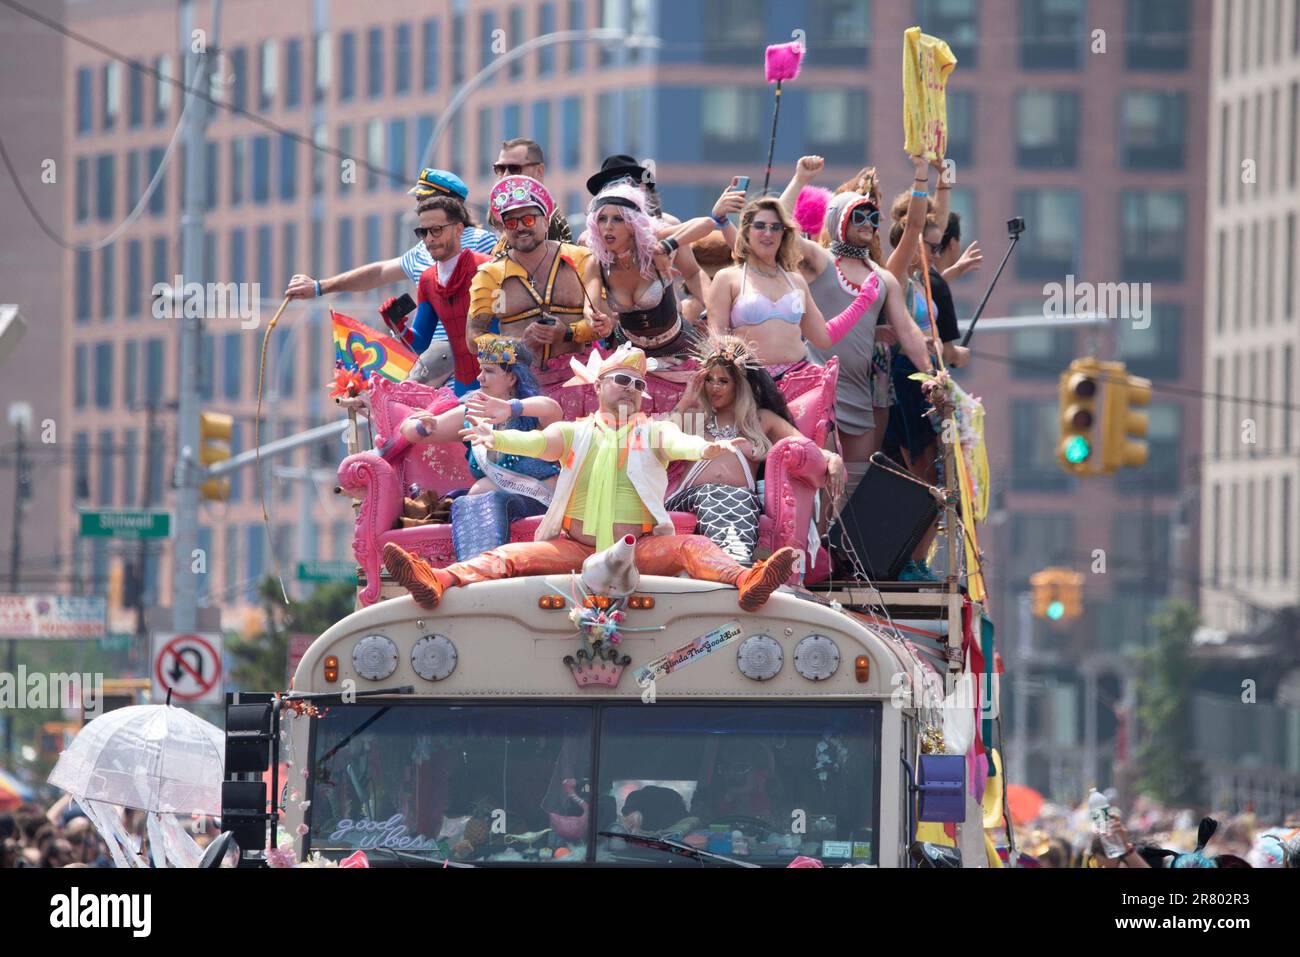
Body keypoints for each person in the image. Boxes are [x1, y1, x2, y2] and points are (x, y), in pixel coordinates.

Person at [381, 344, 802, 612]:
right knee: (507, 557)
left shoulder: (651, 429)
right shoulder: (575, 431)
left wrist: (706, 449)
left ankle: (748, 580)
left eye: (637, 384)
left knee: (695, 546)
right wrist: (496, 436)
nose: (631, 389)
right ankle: (434, 580)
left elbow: (677, 442)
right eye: (621, 380)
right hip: (572, 548)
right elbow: (537, 444)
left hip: (639, 551)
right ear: (599, 387)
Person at [778, 156, 936, 497]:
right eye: (858, 216)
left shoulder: (883, 279)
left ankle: (842, 552)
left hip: (859, 394)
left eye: (872, 217)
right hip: (815, 389)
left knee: (854, 486)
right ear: (838, 220)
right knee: (815, 478)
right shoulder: (820, 261)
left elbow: (908, 331)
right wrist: (800, 179)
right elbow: (782, 226)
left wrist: (934, 375)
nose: (868, 223)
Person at [667, 334, 845, 564]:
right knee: (720, 495)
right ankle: (738, 565)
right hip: (689, 497)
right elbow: (662, 439)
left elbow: (805, 445)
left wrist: (832, 458)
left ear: (739, 384)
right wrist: (685, 401)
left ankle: (742, 566)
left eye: (723, 381)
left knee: (738, 500)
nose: (714, 388)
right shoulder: (695, 417)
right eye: (709, 380)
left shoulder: (762, 419)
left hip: (741, 501)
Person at [397, 336, 561, 560]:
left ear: (512, 377)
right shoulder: (472, 412)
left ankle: (480, 572)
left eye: (489, 371)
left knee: (488, 498)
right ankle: (474, 575)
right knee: (466, 501)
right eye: (480, 370)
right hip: (490, 505)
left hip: (538, 501)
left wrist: (510, 408)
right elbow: (413, 432)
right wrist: (420, 425)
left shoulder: (533, 413)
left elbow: (552, 408)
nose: (479, 377)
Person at [705, 198, 883, 386]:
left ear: (784, 233)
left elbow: (823, 337)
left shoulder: (796, 281)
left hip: (798, 382)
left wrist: (863, 301)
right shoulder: (727, 279)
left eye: (775, 227)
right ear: (747, 232)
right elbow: (717, 342)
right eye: (760, 226)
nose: (768, 233)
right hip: (749, 385)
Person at [285, 167, 497, 303]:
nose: (421, 208)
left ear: (451, 206)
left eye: (426, 201)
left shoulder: (483, 241)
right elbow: (378, 273)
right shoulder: (421, 252)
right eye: (420, 202)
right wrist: (319, 287)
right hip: (433, 360)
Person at [468, 176, 600, 369]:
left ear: (546, 222)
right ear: (505, 229)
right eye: (511, 223)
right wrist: (517, 347)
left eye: (528, 219)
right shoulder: (490, 274)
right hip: (520, 382)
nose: (520, 227)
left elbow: (604, 325)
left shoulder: (581, 259)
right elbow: (473, 342)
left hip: (576, 379)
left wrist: (568, 333)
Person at [583, 182, 720, 358]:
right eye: (602, 219)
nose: (608, 226)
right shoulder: (597, 262)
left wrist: (666, 246)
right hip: (629, 356)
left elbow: (707, 224)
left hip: (679, 351)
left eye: (618, 219)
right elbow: (590, 307)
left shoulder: (652, 242)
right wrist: (594, 320)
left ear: (632, 224)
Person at [407, 195, 492, 395]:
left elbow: (506, 332)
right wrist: (399, 327)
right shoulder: (428, 280)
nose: (429, 239)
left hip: (499, 381)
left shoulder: (487, 267)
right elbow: (420, 343)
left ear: (458, 229)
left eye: (436, 230)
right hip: (463, 384)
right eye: (423, 232)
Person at [488, 139, 573, 252]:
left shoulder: (545, 218)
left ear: (539, 171)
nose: (505, 175)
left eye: (514, 168)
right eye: (500, 169)